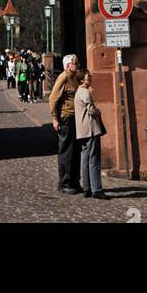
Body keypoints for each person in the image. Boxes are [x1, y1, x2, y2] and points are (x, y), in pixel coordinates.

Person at [48, 53, 82, 193]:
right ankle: (65, 183)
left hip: (75, 118)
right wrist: (55, 118)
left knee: (75, 151)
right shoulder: (63, 77)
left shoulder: (74, 77)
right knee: (66, 151)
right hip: (66, 117)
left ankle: (74, 181)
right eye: (75, 62)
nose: (77, 64)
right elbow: (53, 98)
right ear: (68, 65)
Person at [74, 69, 106, 199]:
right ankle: (96, 189)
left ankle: (87, 188)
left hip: (82, 130)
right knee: (94, 160)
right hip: (90, 129)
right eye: (88, 77)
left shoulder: (78, 92)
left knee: (85, 159)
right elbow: (91, 110)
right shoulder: (85, 92)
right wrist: (98, 111)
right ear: (82, 80)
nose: (90, 79)